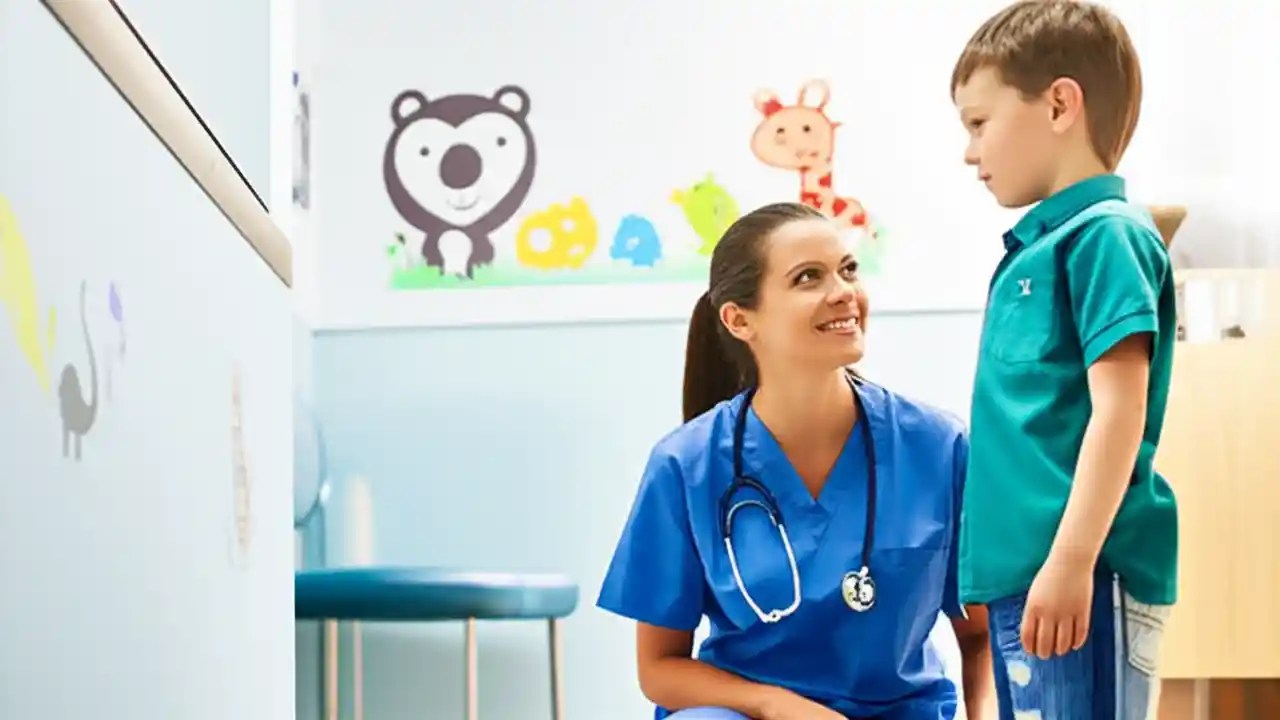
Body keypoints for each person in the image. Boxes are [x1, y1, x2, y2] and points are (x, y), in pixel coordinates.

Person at [596, 202, 992, 719]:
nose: (844, 291)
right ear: (740, 320)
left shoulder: (938, 446)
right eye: (809, 277)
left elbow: (982, 637)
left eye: (848, 270)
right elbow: (660, 668)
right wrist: (775, 706)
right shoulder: (685, 465)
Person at [951, 1, 1178, 718]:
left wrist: (1073, 560)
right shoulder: (1041, 249)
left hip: (1085, 573)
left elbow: (1120, 408)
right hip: (1035, 578)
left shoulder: (1105, 236)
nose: (969, 151)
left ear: (1059, 105)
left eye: (978, 123)